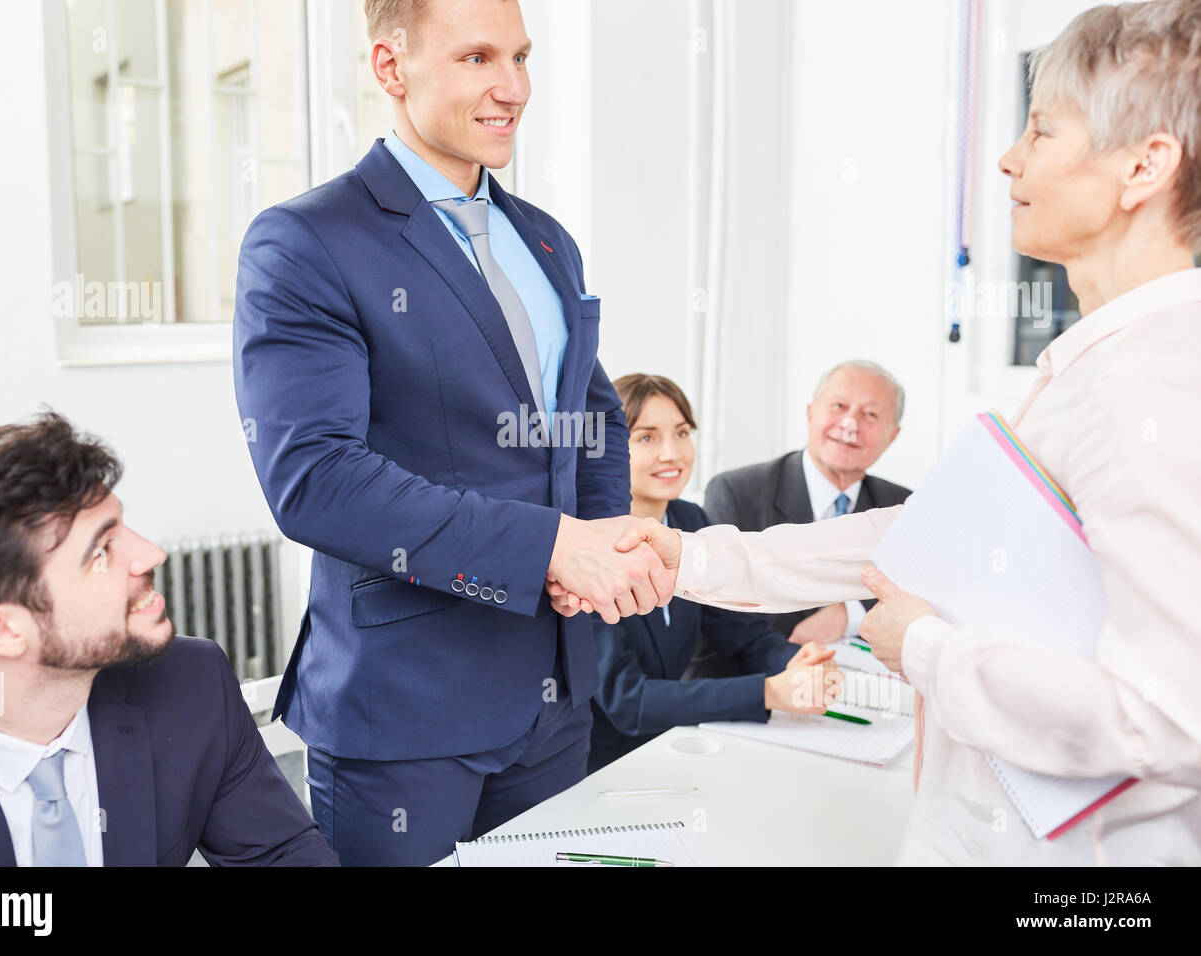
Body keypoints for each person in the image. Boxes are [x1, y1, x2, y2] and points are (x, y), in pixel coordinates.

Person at [583, 0, 1201, 865]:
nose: (1008, 157)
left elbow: (1170, 716)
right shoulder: (1095, 365)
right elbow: (911, 539)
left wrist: (927, 648)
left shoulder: (1158, 387)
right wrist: (687, 559)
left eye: (1043, 131)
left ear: (1145, 165)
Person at [232, 0, 666, 866]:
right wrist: (552, 546)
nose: (513, 88)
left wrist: (602, 545)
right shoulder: (308, 241)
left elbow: (593, 417)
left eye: (520, 57)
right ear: (391, 68)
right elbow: (316, 478)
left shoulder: (547, 241)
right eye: (476, 59)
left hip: (554, 692)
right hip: (405, 706)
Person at [0, 413, 337, 866]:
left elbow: (278, 853)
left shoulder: (190, 682)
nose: (152, 554)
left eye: (121, 526)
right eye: (101, 552)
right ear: (2, 630)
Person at [587, 374, 840, 773]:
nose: (672, 453)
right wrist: (769, 692)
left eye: (682, 433)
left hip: (675, 749)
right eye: (647, 438)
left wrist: (797, 660)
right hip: (596, 768)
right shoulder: (587, 546)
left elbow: (738, 633)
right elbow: (627, 700)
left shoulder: (689, 519)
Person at [696, 360, 910, 673]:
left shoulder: (902, 507)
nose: (850, 423)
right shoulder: (737, 492)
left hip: (865, 689)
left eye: (870, 414)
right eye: (839, 406)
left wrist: (849, 613)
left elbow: (926, 598)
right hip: (755, 689)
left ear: (893, 435)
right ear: (811, 413)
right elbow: (724, 616)